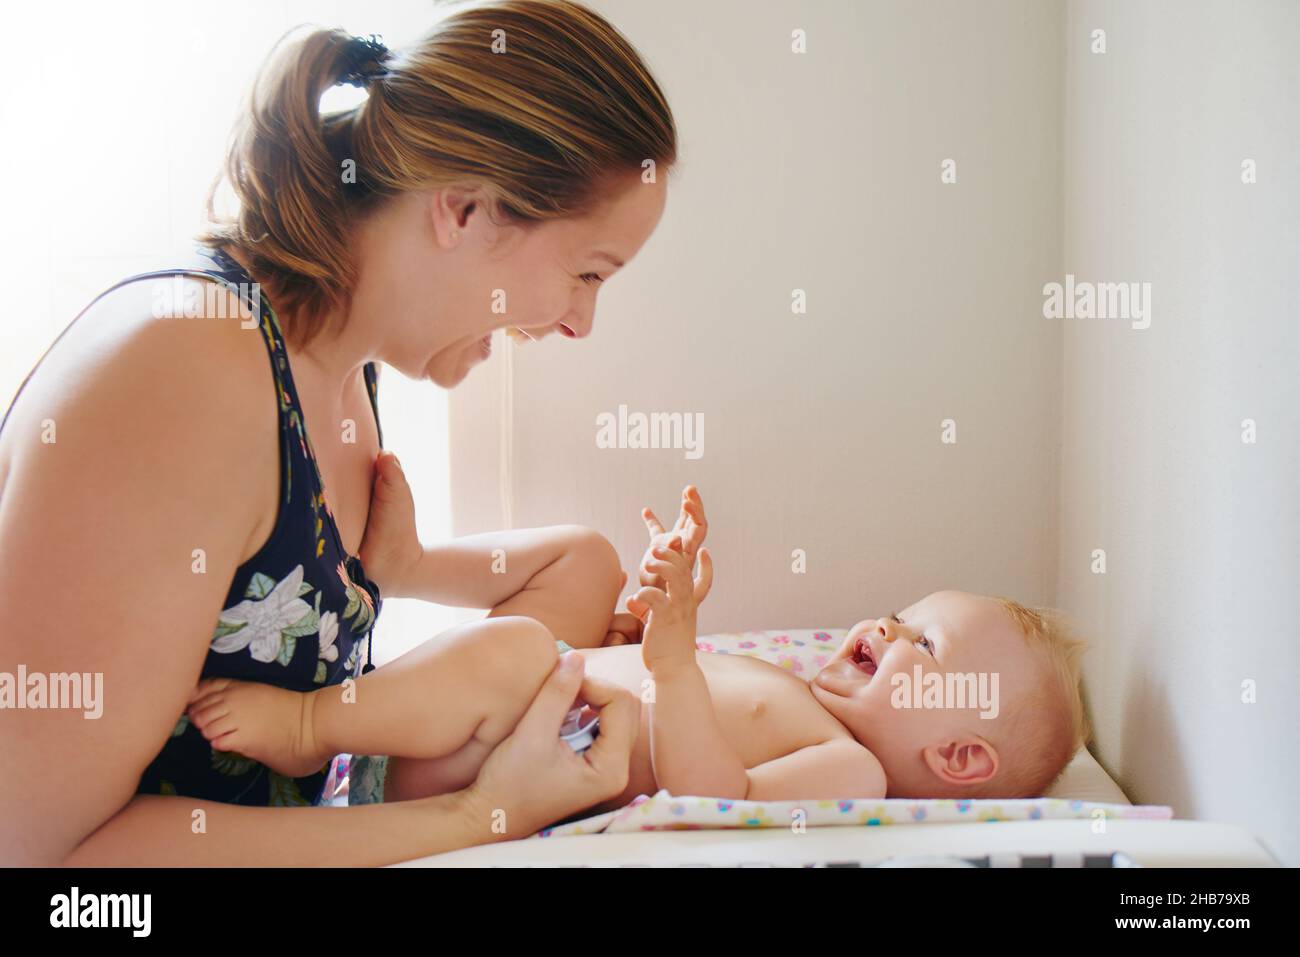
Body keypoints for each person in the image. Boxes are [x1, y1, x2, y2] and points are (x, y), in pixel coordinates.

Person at [0, 0, 677, 866]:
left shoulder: (341, 368)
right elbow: (49, 866)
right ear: (466, 210)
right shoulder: (186, 370)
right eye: (587, 272)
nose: (580, 324)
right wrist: (477, 818)